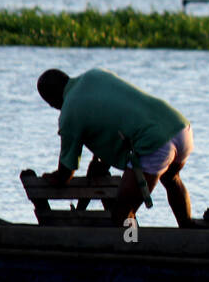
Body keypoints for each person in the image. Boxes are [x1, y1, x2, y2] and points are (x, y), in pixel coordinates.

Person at [37, 67, 195, 228]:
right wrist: (102, 163)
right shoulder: (94, 75)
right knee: (171, 178)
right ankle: (188, 229)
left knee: (122, 212)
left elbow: (66, 172)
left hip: (155, 143)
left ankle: (131, 247)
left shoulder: (69, 113)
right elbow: (115, 118)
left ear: (51, 99)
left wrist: (52, 178)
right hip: (181, 128)